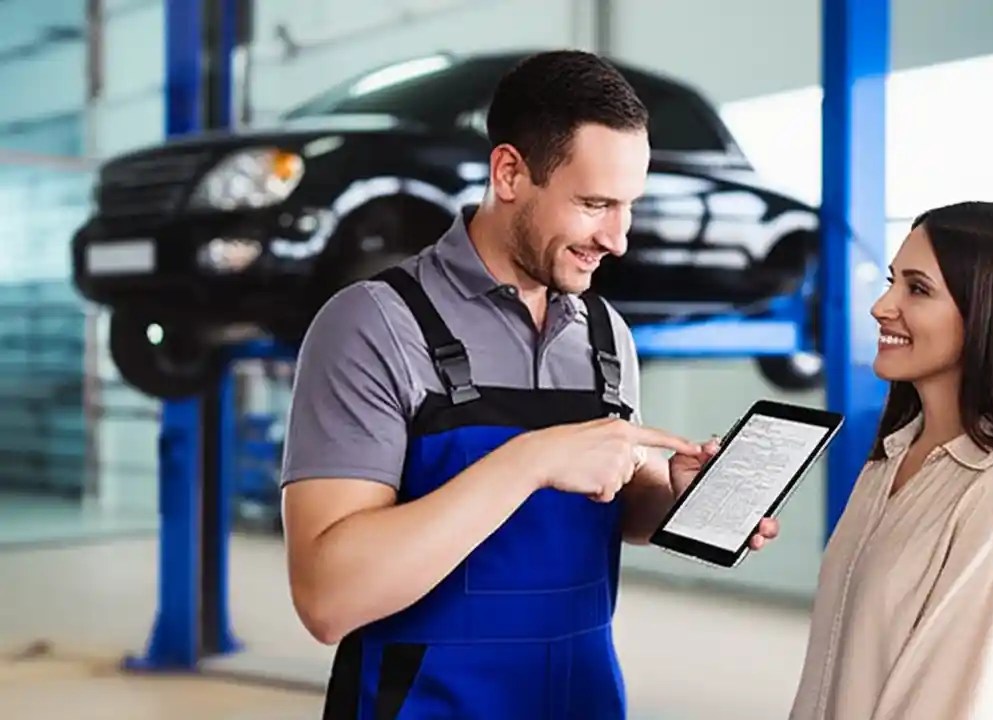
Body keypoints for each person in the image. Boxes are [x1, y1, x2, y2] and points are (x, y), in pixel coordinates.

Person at [278, 49, 778, 719]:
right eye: (595, 204)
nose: (618, 239)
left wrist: (672, 498)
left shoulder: (606, 333)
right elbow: (328, 597)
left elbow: (600, 503)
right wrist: (530, 461)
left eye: (628, 206)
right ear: (509, 172)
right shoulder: (373, 326)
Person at [789, 201, 993, 720]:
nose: (881, 306)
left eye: (917, 289)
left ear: (990, 312)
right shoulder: (889, 460)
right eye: (892, 282)